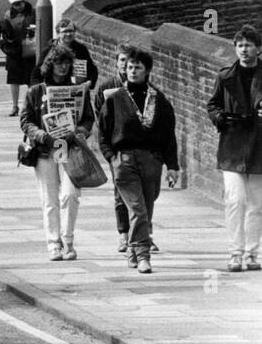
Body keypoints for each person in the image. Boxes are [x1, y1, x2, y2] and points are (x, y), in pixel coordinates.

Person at [97, 47, 179, 274]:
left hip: (152, 160)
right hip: (124, 161)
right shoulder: (115, 98)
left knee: (146, 209)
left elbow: (168, 135)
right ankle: (144, 255)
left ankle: (133, 249)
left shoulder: (159, 100)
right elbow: (103, 132)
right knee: (138, 210)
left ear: (147, 71)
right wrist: (111, 157)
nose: (132, 71)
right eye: (130, 67)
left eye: (138, 67)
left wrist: (172, 166)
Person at [21, 45, 94, 261]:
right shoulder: (36, 92)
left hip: (70, 149)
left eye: (66, 62)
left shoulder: (78, 90)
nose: (63, 67)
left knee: (70, 195)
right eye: (59, 62)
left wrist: (81, 131)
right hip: (45, 151)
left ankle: (68, 239)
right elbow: (25, 121)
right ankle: (54, 243)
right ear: (50, 65)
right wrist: (41, 134)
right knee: (50, 200)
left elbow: (88, 118)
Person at [207, 25, 262, 272]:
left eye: (249, 45)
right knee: (235, 200)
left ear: (258, 49)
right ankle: (235, 252)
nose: (244, 50)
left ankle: (251, 253)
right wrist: (220, 118)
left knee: (257, 204)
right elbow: (213, 105)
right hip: (232, 145)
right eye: (240, 45)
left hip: (259, 146)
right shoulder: (225, 77)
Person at [93, 44, 135, 253]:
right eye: (122, 60)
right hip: (117, 147)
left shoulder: (142, 85)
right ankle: (123, 235)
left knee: (143, 194)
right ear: (116, 62)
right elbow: (100, 120)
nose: (126, 65)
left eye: (129, 61)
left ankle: (144, 233)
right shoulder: (106, 87)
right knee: (120, 191)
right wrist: (108, 152)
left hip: (138, 147)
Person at [29, 19, 99, 88]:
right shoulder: (48, 50)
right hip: (54, 91)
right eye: (65, 31)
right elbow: (36, 74)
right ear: (58, 33)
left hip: (77, 92)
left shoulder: (81, 49)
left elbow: (92, 70)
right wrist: (39, 90)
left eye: (71, 31)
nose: (68, 34)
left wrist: (89, 83)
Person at [0, 0, 36, 116]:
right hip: (14, 52)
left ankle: (31, 105)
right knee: (14, 80)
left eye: (20, 3)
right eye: (15, 4)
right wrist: (8, 41)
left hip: (30, 50)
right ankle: (15, 107)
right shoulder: (8, 15)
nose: (18, 6)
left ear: (24, 1)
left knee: (31, 79)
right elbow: (4, 32)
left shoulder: (33, 12)